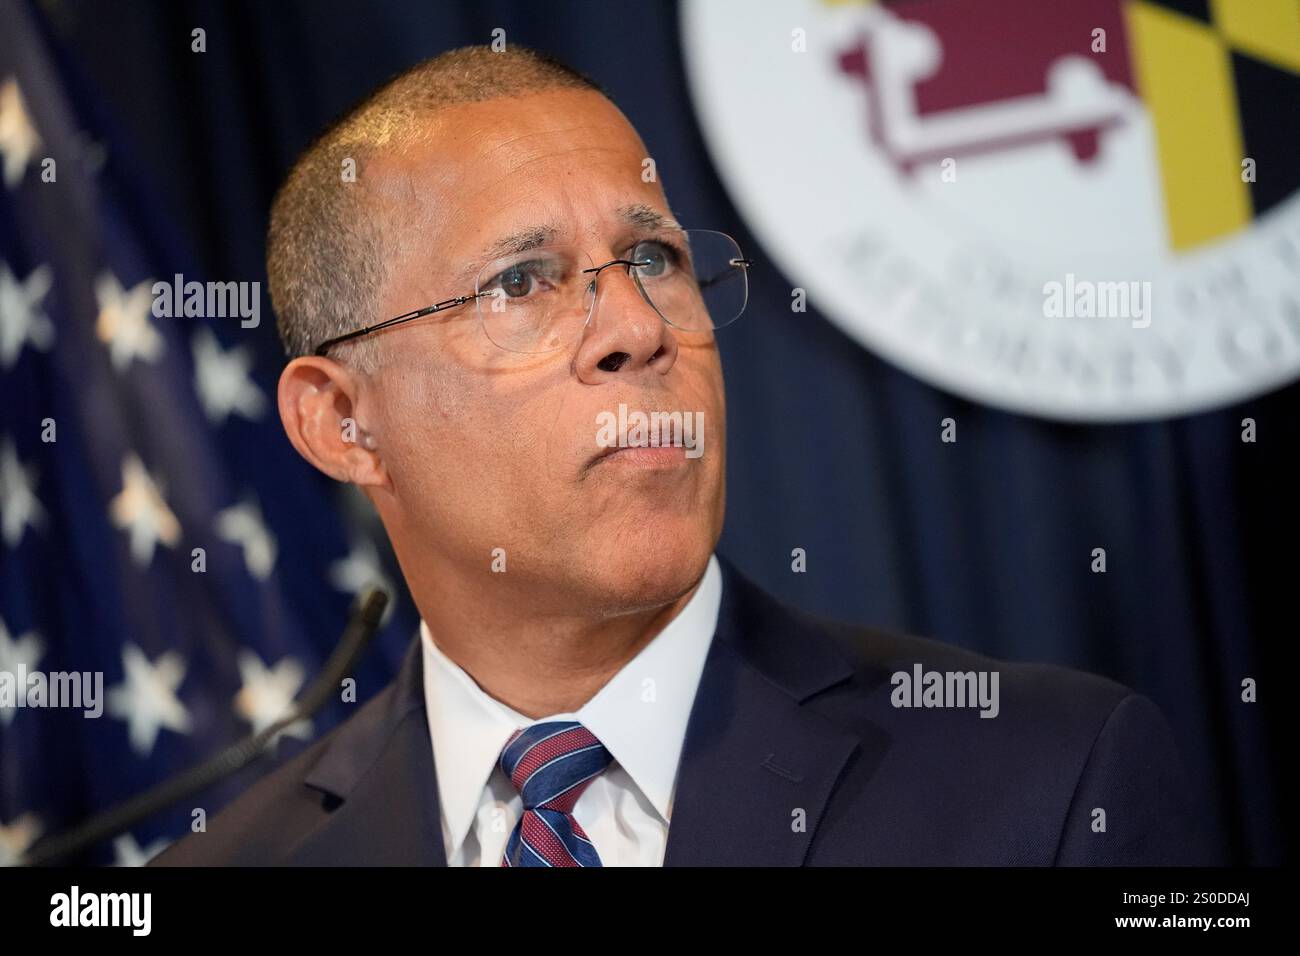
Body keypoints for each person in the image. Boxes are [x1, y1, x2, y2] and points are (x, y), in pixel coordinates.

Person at [152, 45, 1213, 867]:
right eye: (523, 281)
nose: (638, 325)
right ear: (343, 422)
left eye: (652, 256)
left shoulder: (1052, 779)